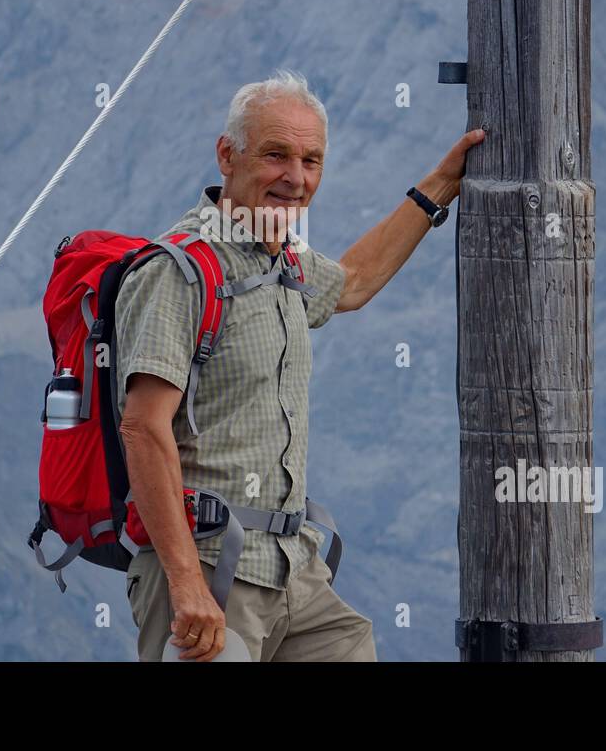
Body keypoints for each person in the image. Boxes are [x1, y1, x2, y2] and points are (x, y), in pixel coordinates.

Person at [115, 69, 485, 661]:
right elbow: (142, 427)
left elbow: (355, 282)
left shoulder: (280, 260)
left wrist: (440, 185)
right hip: (209, 571)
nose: (296, 177)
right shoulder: (179, 272)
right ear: (226, 155)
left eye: (312, 160)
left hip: (294, 571)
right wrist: (185, 585)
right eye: (276, 155)